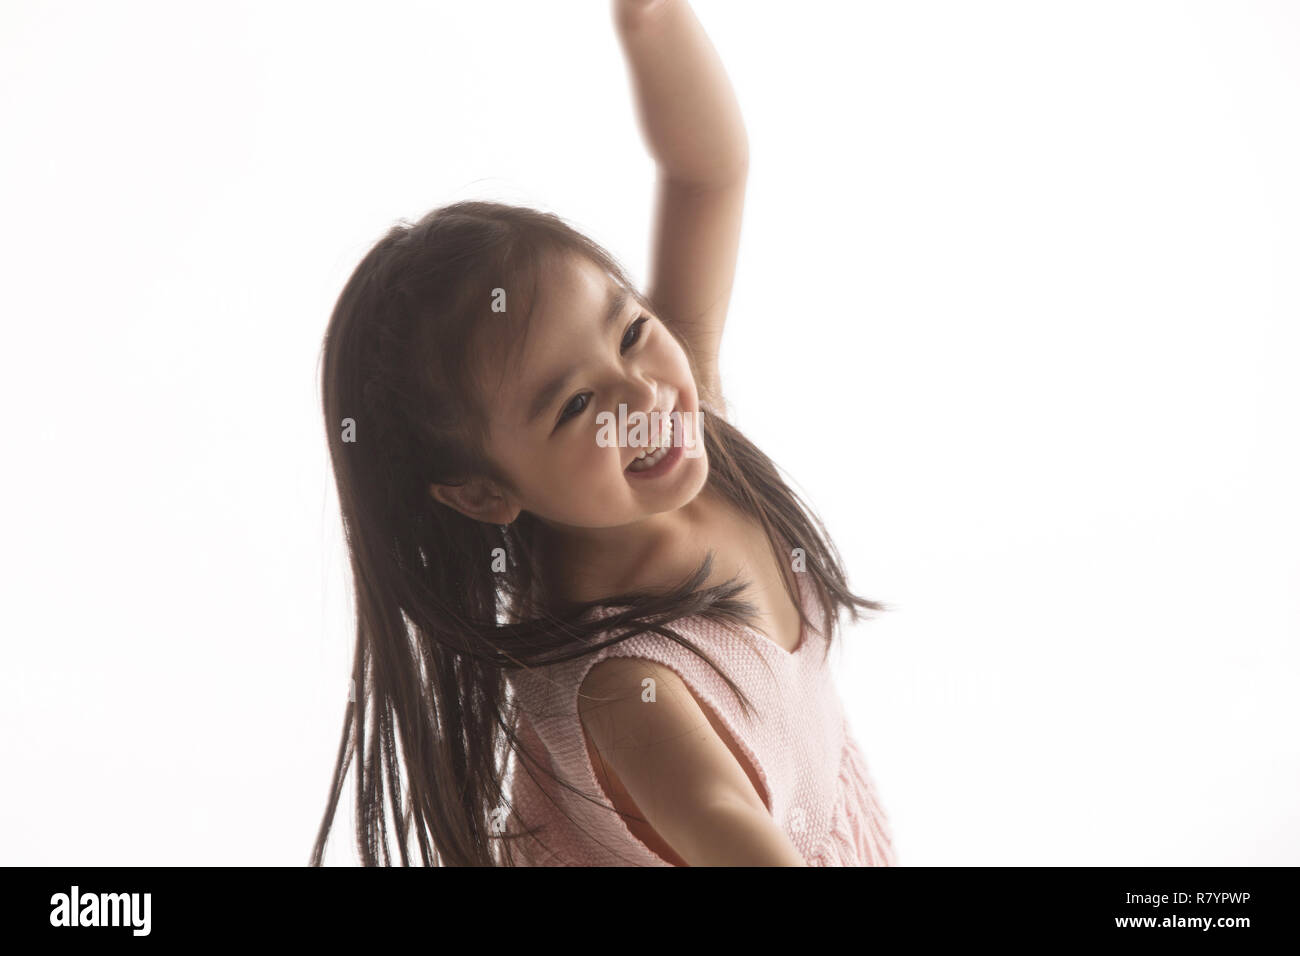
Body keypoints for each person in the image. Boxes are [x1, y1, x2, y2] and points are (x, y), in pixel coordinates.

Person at [311, 0, 897, 866]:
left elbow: (708, 170)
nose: (640, 392)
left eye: (628, 330)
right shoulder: (626, 690)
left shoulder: (684, 421)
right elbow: (723, 826)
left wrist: (649, 19)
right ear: (482, 492)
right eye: (574, 406)